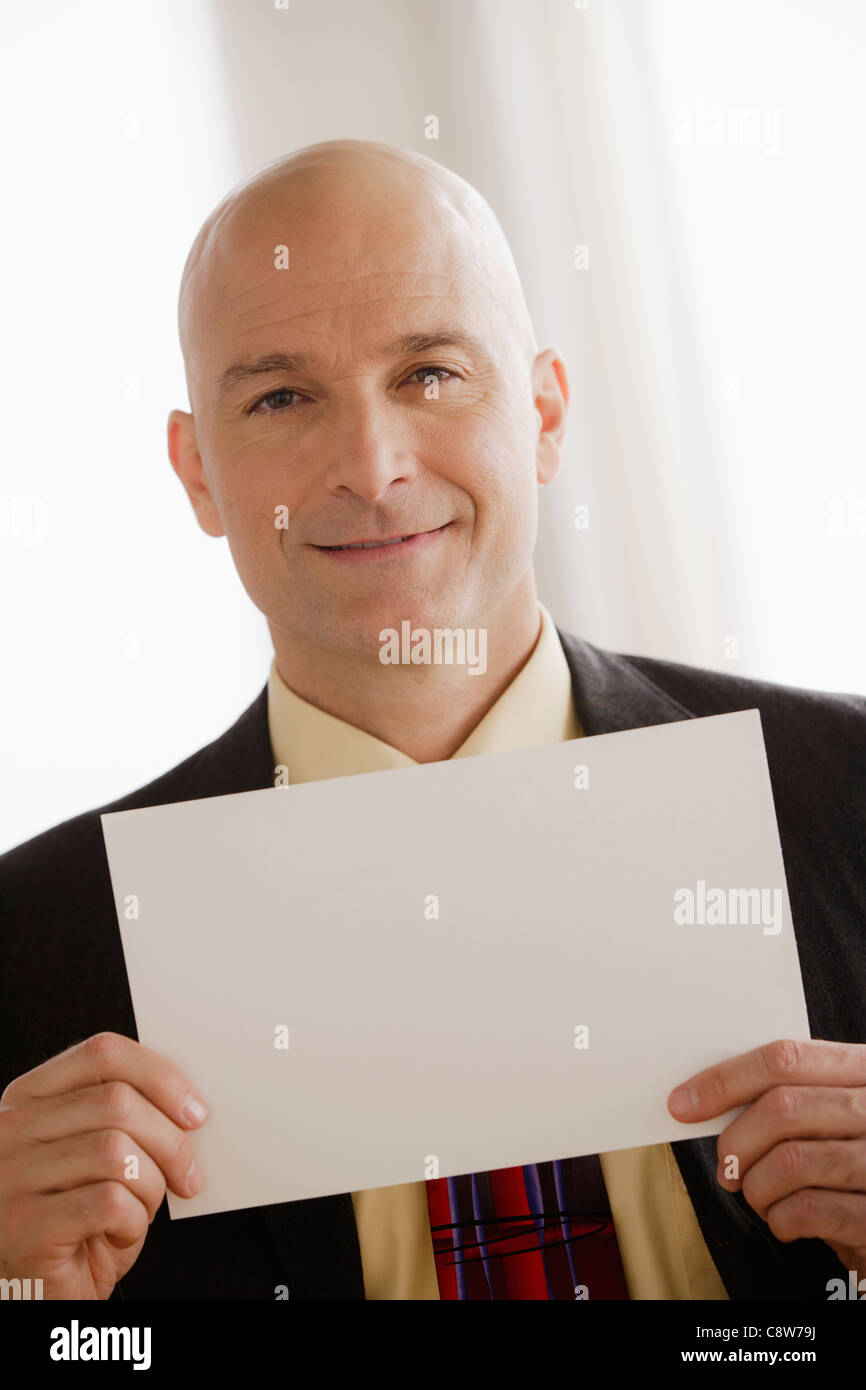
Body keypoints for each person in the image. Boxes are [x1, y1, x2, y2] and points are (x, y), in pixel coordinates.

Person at [1, 140, 864, 1302]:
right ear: (198, 472)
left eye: (430, 375)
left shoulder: (850, 792)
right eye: (281, 395)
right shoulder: (25, 949)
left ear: (546, 412)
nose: (370, 465)